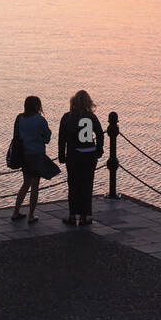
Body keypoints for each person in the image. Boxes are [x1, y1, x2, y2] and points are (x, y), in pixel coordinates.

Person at [58, 89, 103, 226]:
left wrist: (61, 155)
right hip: (89, 155)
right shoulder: (91, 117)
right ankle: (86, 216)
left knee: (73, 185)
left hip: (73, 156)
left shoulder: (67, 117)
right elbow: (100, 134)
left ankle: (73, 215)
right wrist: (99, 151)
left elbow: (62, 139)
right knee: (87, 185)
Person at [12, 96, 52, 223]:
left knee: (26, 183)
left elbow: (15, 136)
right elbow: (47, 137)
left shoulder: (19, 118)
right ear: (37, 106)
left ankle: (16, 211)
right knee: (35, 185)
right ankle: (31, 215)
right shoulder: (40, 120)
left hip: (24, 154)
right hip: (37, 154)